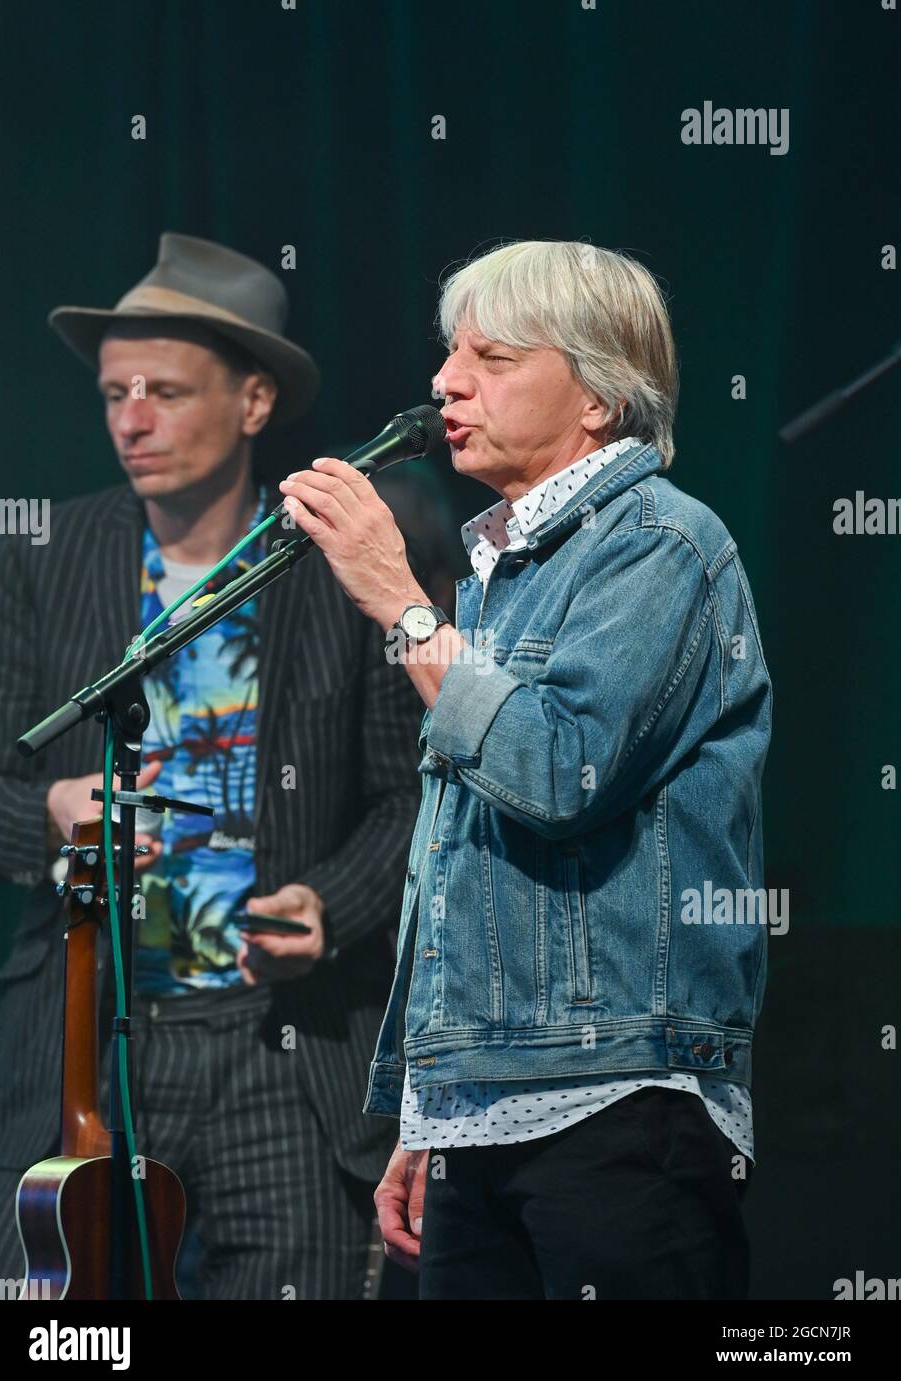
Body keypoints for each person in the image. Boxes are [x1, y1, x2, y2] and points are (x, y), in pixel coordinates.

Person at [275, 239, 773, 1300]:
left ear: (596, 395)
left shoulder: (661, 542)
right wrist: (429, 1100)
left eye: (491, 356)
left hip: (618, 1098)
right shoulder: (506, 570)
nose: (445, 381)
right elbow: (455, 858)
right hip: (483, 1098)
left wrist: (399, 603)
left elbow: (557, 774)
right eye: (450, 353)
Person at [0, 233, 426, 1299]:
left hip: (283, 1046)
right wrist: (46, 811)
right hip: (91, 1041)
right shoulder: (47, 553)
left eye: (166, 392)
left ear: (255, 401)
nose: (131, 420)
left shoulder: (337, 563)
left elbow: (418, 791)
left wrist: (333, 902)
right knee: (58, 1328)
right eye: (114, 392)